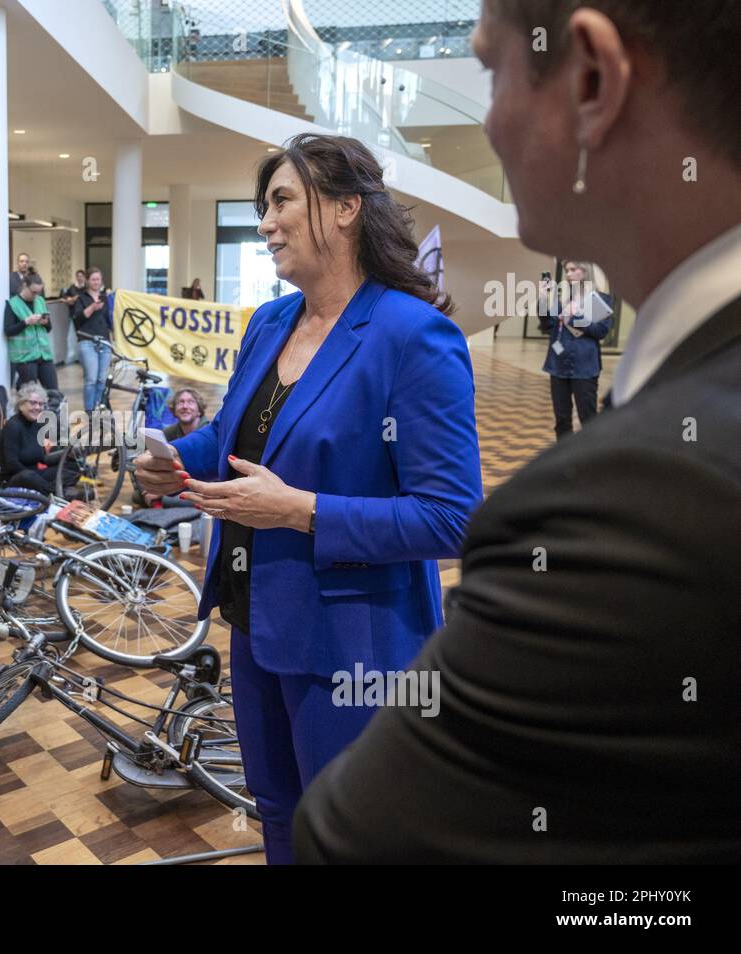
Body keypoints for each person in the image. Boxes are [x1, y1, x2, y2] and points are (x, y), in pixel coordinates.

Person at [293, 0, 741, 864]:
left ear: (591, 81)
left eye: (493, 71)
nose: (488, 117)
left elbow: (350, 838)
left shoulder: (639, 504)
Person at [134, 133, 483, 864]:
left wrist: (302, 511)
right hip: (255, 618)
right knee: (279, 813)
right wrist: (174, 465)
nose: (265, 223)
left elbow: (453, 517)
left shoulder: (413, 336)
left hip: (353, 646)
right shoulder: (269, 323)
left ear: (347, 208)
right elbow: (235, 438)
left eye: (281, 201)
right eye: (264, 206)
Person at [538, 259, 612, 438]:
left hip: (584, 366)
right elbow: (548, 324)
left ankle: (590, 461)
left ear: (585, 272)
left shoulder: (599, 299)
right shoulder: (563, 297)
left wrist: (576, 316)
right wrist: (542, 298)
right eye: (566, 270)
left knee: (588, 418)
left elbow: (601, 331)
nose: (568, 274)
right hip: (558, 364)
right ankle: (563, 459)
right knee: (562, 419)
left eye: (573, 269)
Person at [0, 380, 66, 494]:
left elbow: (42, 458)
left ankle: (52, 490)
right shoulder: (12, 426)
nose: (37, 407)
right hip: (13, 479)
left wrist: (66, 456)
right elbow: (12, 464)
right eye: (33, 403)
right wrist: (37, 478)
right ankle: (56, 493)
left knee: (69, 468)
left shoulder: (37, 424)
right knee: (28, 476)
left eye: (41, 404)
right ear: (21, 404)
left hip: (35, 476)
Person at [4, 271, 58, 390]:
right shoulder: (12, 304)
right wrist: (26, 322)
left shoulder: (40, 301)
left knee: (54, 391)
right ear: (24, 286)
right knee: (30, 395)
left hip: (44, 355)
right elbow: (8, 330)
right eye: (33, 292)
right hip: (25, 358)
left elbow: (49, 329)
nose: (36, 295)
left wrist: (46, 323)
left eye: (39, 292)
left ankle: (53, 409)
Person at [73, 267, 113, 411]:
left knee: (102, 379)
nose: (96, 282)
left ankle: (98, 406)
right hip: (87, 341)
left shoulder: (105, 298)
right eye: (93, 279)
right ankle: (89, 410)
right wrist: (92, 308)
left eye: (98, 279)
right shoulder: (81, 298)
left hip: (104, 341)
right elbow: (77, 319)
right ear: (87, 281)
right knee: (91, 379)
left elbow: (110, 321)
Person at [60, 269, 87, 363]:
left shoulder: (87, 287)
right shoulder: (72, 287)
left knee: (84, 336)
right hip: (74, 314)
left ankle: (83, 357)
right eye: (78, 276)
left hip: (85, 315)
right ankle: (75, 356)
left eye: (81, 276)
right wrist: (70, 299)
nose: (79, 278)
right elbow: (63, 297)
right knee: (73, 337)